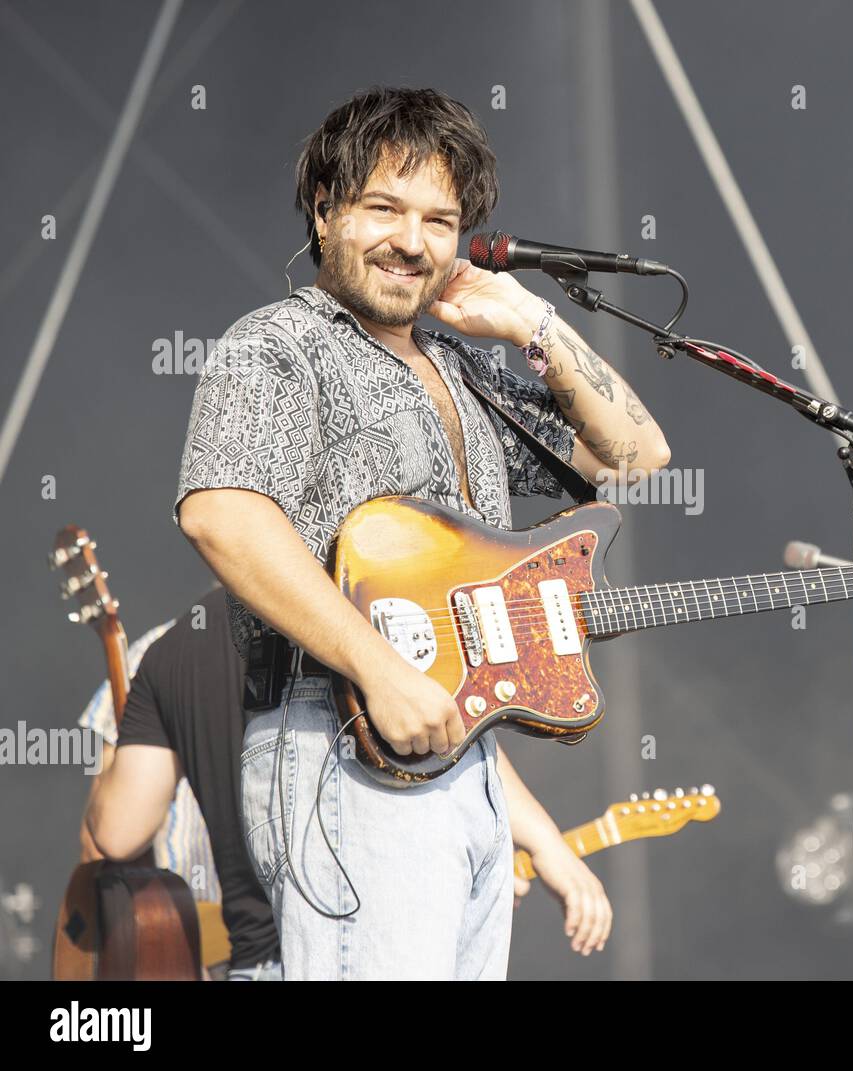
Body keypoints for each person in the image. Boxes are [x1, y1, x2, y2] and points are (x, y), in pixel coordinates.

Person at [174, 86, 669, 979]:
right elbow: (223, 513)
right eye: (384, 209)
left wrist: (531, 322)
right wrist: (378, 667)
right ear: (325, 213)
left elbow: (637, 454)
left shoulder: (465, 369)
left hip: (467, 767)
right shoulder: (279, 344)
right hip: (341, 746)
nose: (412, 240)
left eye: (440, 220)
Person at [83, 586, 281, 980]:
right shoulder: (361, 613)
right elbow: (103, 847)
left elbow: (114, 831)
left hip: (249, 958)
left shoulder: (166, 649)